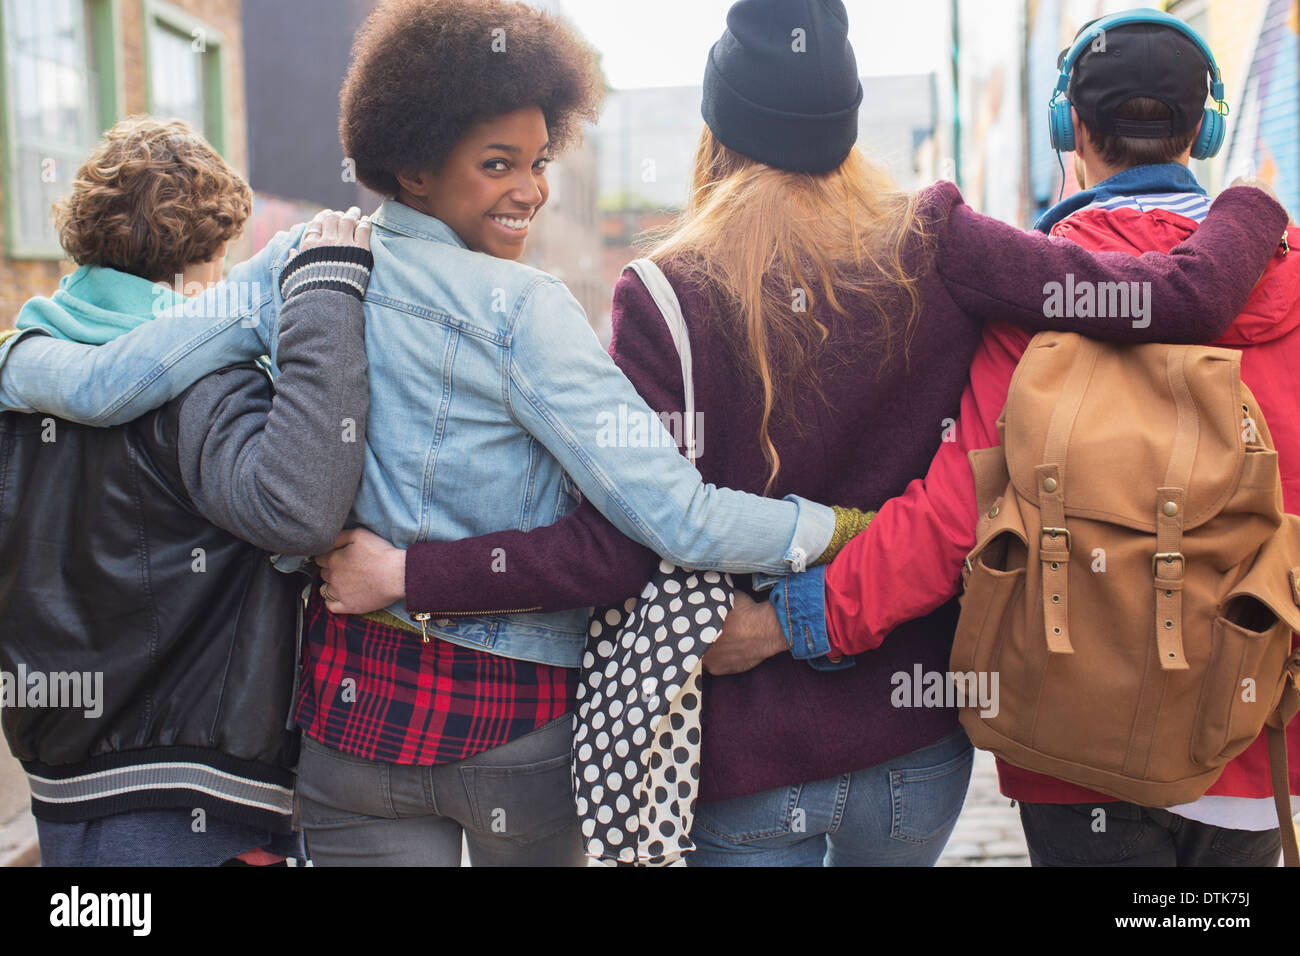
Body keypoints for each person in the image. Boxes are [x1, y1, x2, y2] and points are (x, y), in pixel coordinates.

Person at [308, 0, 1290, 866]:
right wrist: (1249, 202)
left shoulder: (661, 293)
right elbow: (1158, 299)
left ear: (717, 124)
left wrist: (410, 573)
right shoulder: (940, 236)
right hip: (913, 747)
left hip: (737, 757)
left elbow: (618, 542)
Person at [0, 0, 864, 867]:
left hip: (352, 724)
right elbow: (675, 519)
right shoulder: (527, 311)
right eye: (498, 164)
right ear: (413, 166)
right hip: (512, 726)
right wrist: (829, 529)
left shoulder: (302, 259)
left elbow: (115, 382)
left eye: (538, 161)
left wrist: (14, 360)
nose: (531, 189)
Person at [733, 12, 1300, 866]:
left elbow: (954, 516)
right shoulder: (1286, 283)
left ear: (1067, 129)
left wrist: (797, 621)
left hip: (1074, 745)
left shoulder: (1035, 294)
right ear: (1207, 127)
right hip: (1255, 738)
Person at [0, 117, 374, 865]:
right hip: (193, 789)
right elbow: (296, 511)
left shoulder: (23, 366)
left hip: (59, 774)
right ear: (210, 253)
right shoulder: (206, 389)